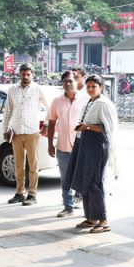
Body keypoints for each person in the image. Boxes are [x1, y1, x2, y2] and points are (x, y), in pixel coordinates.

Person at [64, 74, 118, 233]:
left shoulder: (103, 103)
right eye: (88, 86)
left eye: (94, 86)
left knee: (95, 182)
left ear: (101, 87)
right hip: (84, 143)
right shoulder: (91, 101)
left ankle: (103, 220)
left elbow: (107, 128)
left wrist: (87, 127)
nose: (90, 89)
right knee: (84, 180)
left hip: (97, 144)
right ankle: (91, 218)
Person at [2, 63, 48, 206]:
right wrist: (5, 129)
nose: (26, 76)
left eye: (28, 74)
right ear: (19, 74)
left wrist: (45, 124)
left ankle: (32, 194)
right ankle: (19, 192)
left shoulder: (37, 89)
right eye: (23, 74)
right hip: (15, 131)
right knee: (18, 165)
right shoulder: (12, 89)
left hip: (32, 131)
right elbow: (8, 110)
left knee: (33, 164)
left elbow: (49, 107)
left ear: (33, 74)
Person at [47, 70, 88, 218]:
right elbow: (51, 123)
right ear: (62, 84)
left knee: (83, 177)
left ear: (76, 82)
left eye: (71, 81)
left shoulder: (85, 99)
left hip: (82, 146)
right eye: (65, 81)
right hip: (63, 147)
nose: (68, 84)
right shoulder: (56, 101)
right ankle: (68, 207)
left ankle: (86, 207)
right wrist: (50, 144)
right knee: (65, 178)